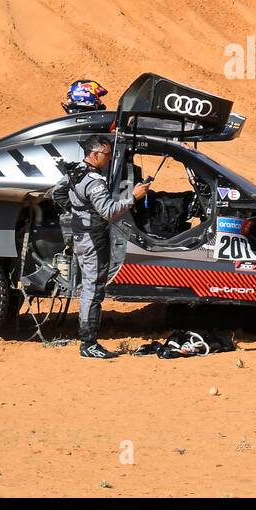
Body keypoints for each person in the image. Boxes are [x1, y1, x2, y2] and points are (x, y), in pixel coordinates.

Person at [67, 134, 150, 358]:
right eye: (107, 154)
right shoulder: (94, 181)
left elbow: (58, 193)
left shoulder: (75, 172)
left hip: (81, 236)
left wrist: (79, 213)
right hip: (93, 240)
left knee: (89, 288)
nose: (110, 157)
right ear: (94, 155)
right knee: (93, 291)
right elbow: (109, 211)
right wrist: (133, 197)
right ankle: (88, 343)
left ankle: (88, 341)